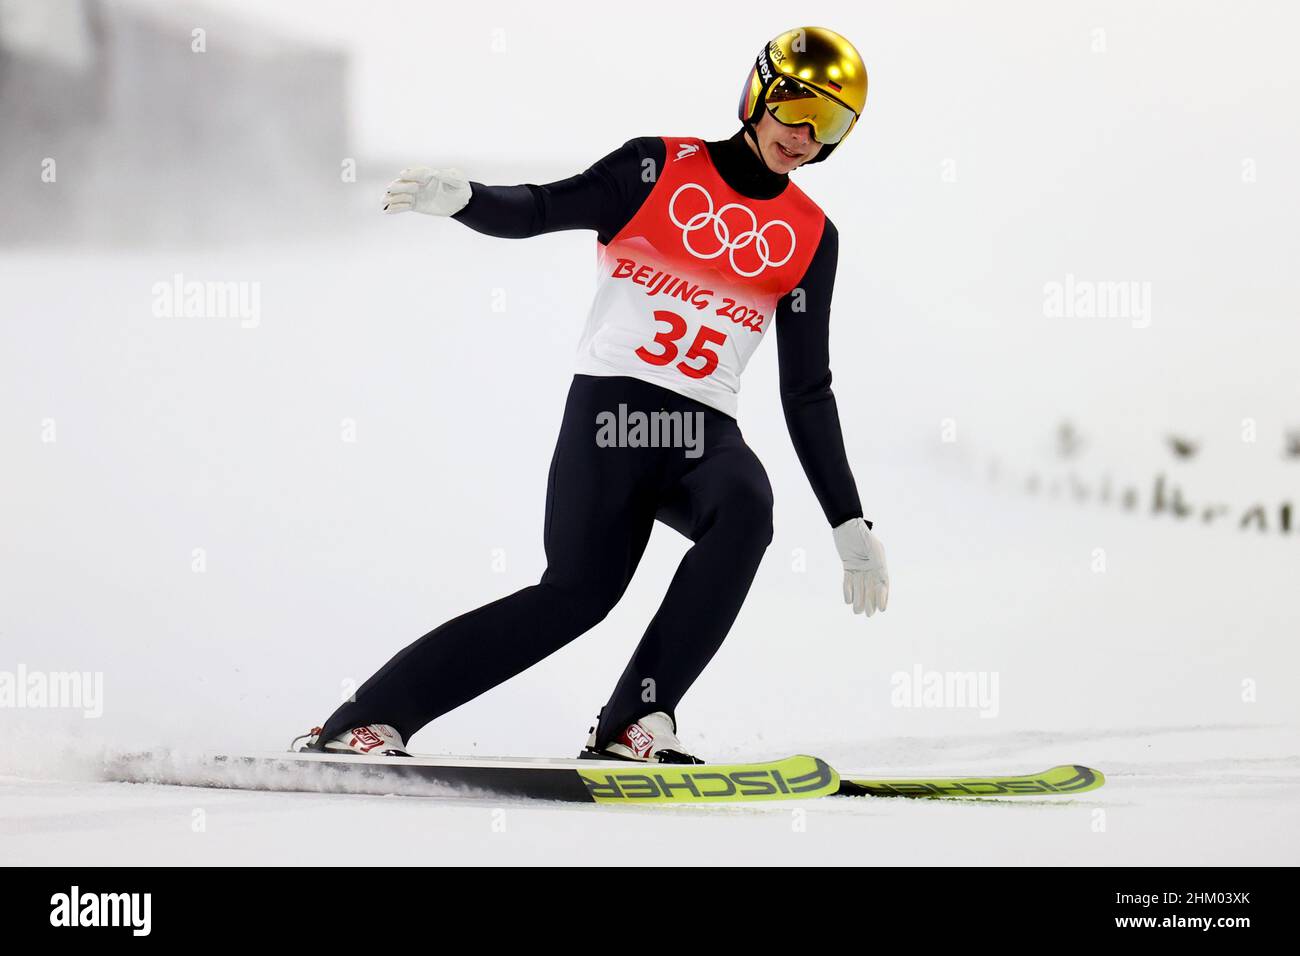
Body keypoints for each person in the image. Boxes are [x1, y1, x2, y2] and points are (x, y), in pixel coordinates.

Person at [297, 26, 889, 764]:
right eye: (796, 106)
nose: (803, 135)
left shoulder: (810, 236)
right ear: (758, 92)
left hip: (705, 430)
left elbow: (807, 390)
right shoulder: (657, 167)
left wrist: (846, 519)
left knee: (745, 505)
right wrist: (468, 200)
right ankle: (366, 720)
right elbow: (543, 207)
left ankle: (637, 721)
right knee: (576, 596)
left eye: (828, 123)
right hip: (615, 418)